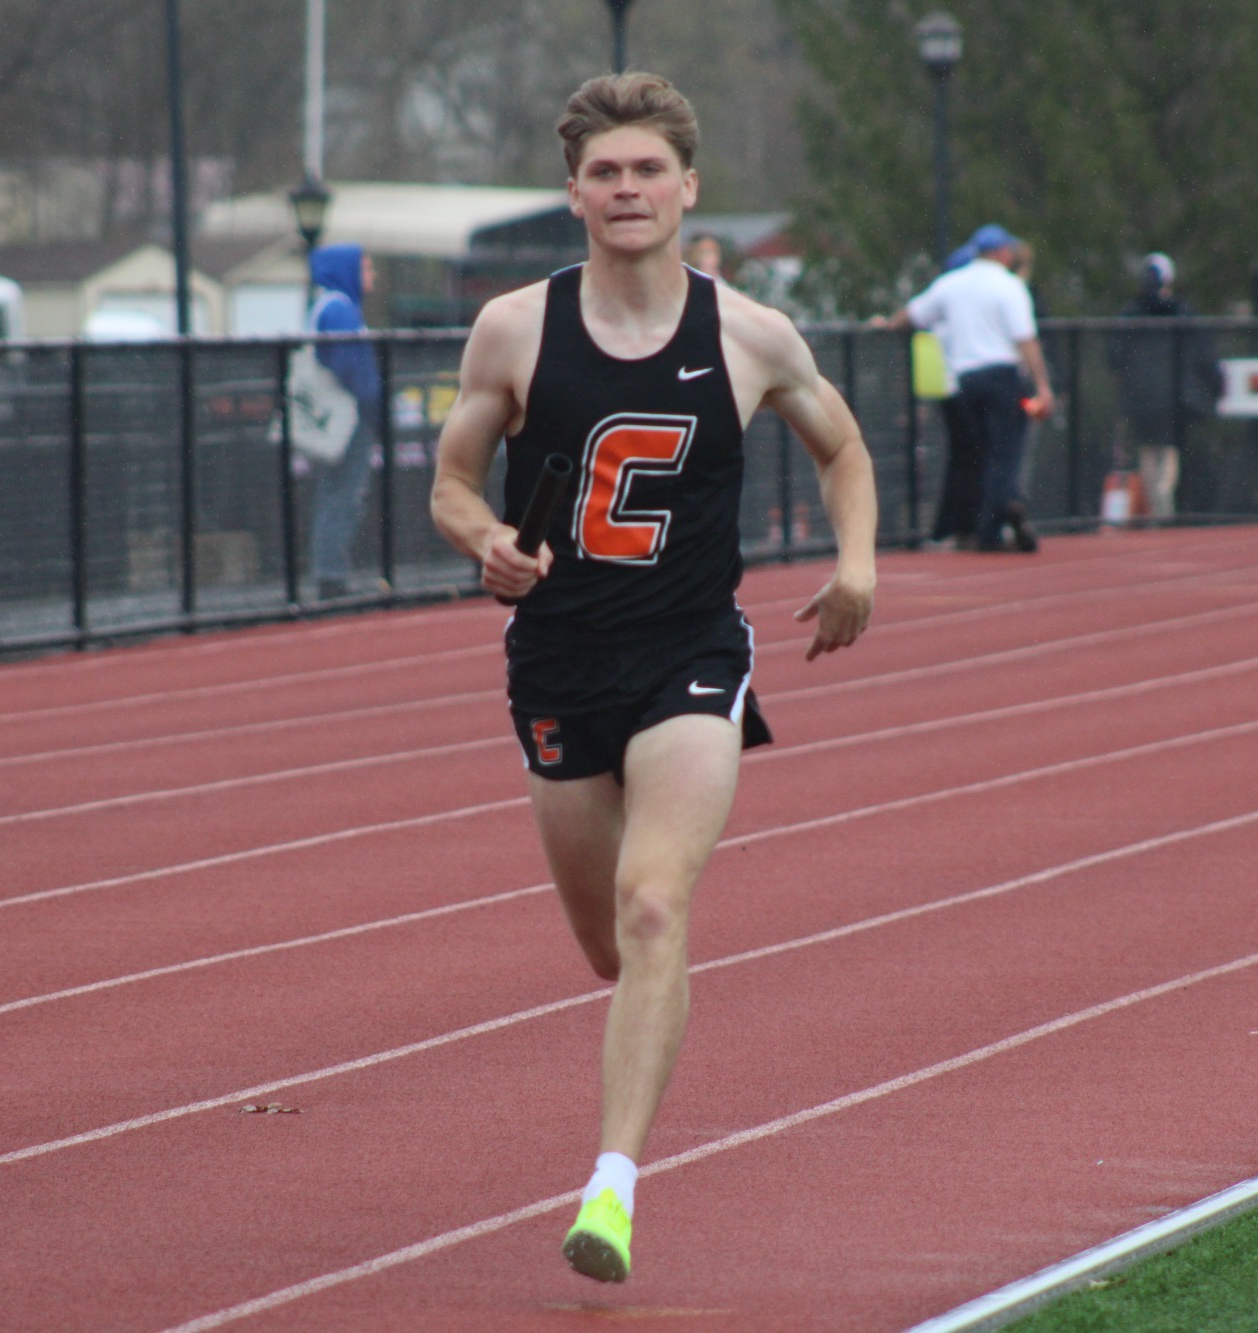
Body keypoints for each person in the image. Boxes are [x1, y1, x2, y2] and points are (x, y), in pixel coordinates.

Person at [430, 71, 877, 1285]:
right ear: (573, 192)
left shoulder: (747, 332)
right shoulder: (516, 328)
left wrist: (855, 566)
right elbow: (450, 480)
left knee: (652, 906)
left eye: (646, 172)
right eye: (603, 173)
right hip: (560, 659)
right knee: (608, 951)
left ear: (687, 187)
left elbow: (840, 446)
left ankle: (611, 1189)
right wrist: (486, 543)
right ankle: (651, 1011)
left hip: (690, 651)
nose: (626, 191)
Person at [882, 223, 1055, 552]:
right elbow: (1026, 339)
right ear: (1001, 252)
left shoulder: (952, 283)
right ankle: (990, 528)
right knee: (1005, 456)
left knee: (977, 455)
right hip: (1002, 375)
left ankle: (976, 522)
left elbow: (913, 313)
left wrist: (887, 324)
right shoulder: (1009, 286)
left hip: (965, 381)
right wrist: (1043, 386)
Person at [1103, 252, 1219, 521]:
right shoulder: (1181, 311)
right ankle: (1161, 502)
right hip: (1173, 395)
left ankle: (1158, 501)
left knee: (1151, 447)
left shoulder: (1131, 313)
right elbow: (1204, 355)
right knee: (1166, 448)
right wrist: (1213, 386)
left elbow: (1114, 355)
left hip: (1143, 395)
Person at [306, 244, 383, 598]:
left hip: (345, 415)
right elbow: (349, 365)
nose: (372, 276)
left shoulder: (335, 305)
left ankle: (332, 570)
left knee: (339, 493)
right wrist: (372, 402)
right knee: (342, 494)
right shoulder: (338, 308)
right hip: (346, 417)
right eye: (365, 268)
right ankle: (331, 574)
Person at [926, 243, 984, 545]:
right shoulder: (951, 302)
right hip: (955, 388)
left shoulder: (951, 302)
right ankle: (957, 526)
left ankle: (958, 525)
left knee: (967, 458)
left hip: (953, 387)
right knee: (969, 458)